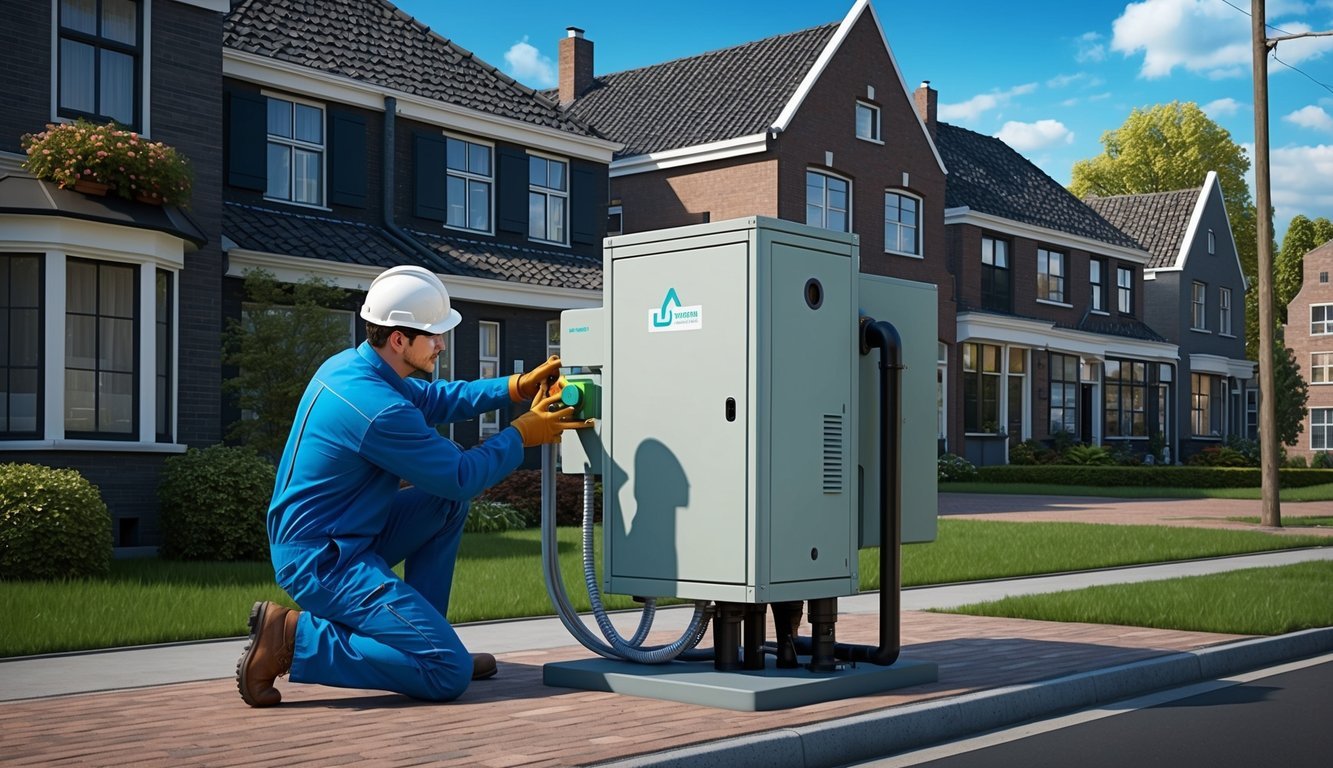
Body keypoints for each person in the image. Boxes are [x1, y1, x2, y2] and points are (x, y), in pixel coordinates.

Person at [236, 265, 590, 707]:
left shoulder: (354, 367)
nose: (441, 344)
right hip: (323, 560)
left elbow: (435, 398)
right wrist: (522, 434)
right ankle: (292, 637)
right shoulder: (377, 409)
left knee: (443, 506)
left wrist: (516, 387)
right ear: (399, 339)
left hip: (343, 535)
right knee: (446, 674)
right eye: (433, 335)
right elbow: (461, 477)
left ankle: (426, 638)